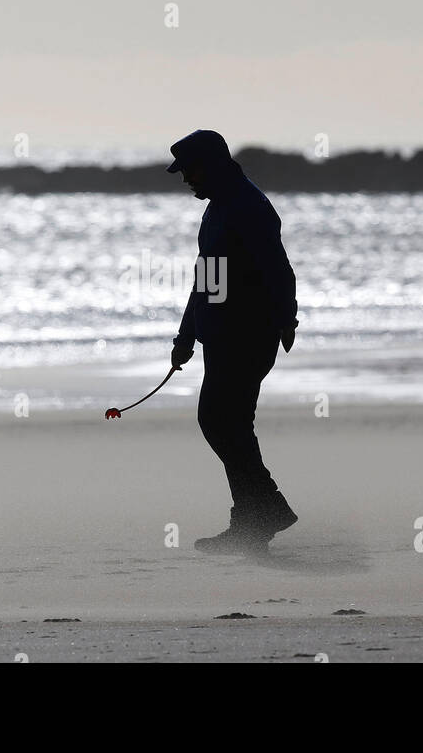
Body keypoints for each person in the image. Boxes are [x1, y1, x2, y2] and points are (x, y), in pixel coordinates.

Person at [166, 129, 299, 555]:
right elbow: (206, 279)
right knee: (226, 423)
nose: (186, 179)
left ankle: (262, 511)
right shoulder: (220, 207)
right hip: (222, 334)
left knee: (223, 422)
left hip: (247, 334)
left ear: (211, 165)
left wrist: (285, 319)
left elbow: (278, 269)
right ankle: (254, 519)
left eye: (189, 171)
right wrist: (187, 334)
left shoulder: (248, 207)